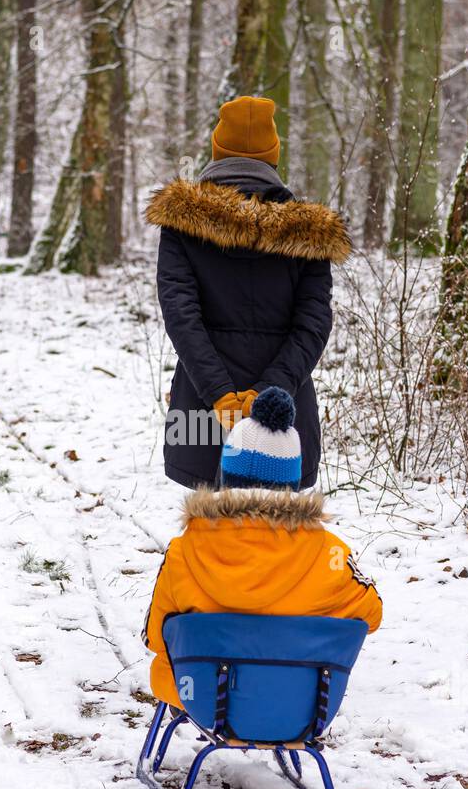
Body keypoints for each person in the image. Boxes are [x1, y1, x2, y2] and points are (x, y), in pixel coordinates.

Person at [145, 96, 351, 491]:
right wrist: (268, 394)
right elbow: (313, 322)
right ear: (273, 155)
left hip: (201, 406)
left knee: (209, 533)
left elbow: (180, 313)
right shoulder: (310, 232)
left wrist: (221, 396)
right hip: (283, 407)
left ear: (217, 149)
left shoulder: (182, 223)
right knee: (279, 534)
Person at [141, 388, 382, 708]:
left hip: (203, 699)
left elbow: (155, 637)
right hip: (298, 707)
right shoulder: (331, 555)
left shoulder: (183, 550)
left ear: (226, 477)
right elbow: (372, 615)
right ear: (293, 481)